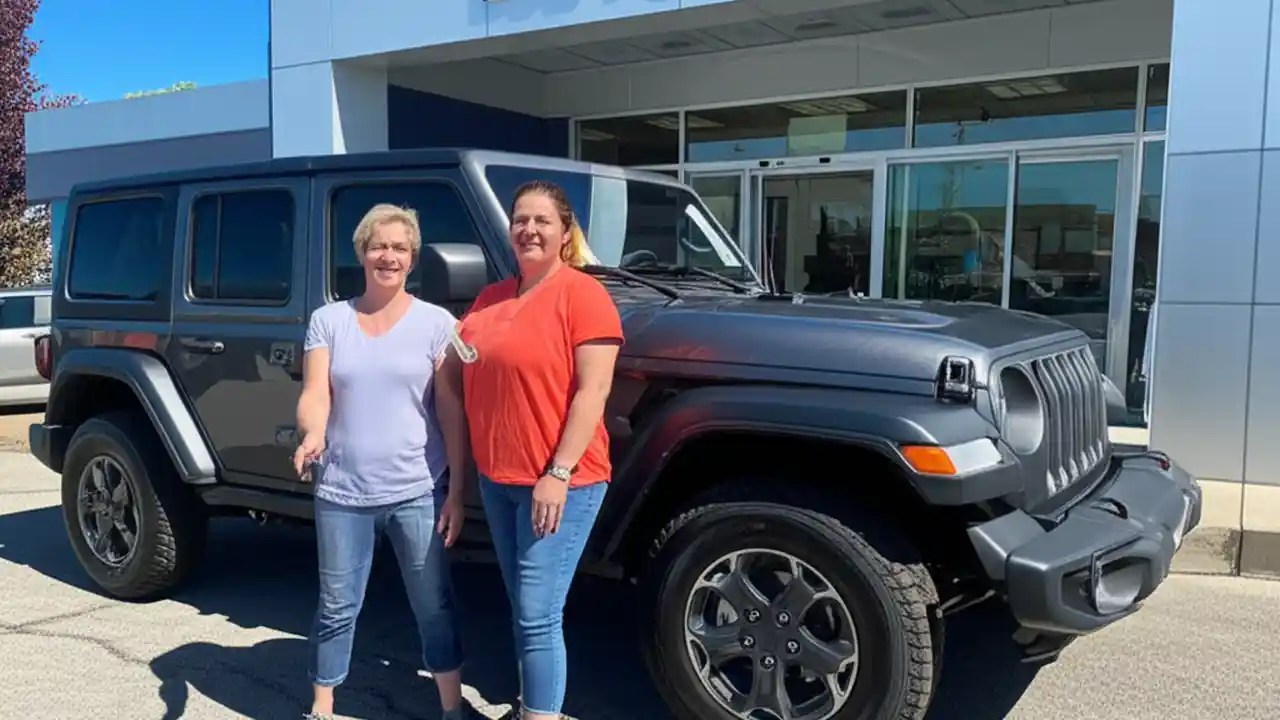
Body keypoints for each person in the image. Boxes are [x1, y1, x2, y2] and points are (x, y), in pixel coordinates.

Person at [436, 180, 623, 720]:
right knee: (525, 609)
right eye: (520, 219)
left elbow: (594, 391)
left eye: (542, 220)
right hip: (501, 482)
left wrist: (558, 472)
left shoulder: (583, 295)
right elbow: (453, 364)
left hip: (564, 483)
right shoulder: (490, 298)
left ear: (565, 234)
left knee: (539, 612)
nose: (529, 229)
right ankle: (530, 707)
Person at [293, 203, 473, 720]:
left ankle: (451, 709)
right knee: (335, 607)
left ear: (413, 259)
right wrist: (312, 434)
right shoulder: (329, 320)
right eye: (378, 246)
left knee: (433, 606)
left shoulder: (438, 325)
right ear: (361, 253)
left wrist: (457, 491)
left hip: (418, 490)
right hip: (341, 493)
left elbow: (451, 413)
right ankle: (322, 709)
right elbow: (315, 394)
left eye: (399, 247)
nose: (388, 256)